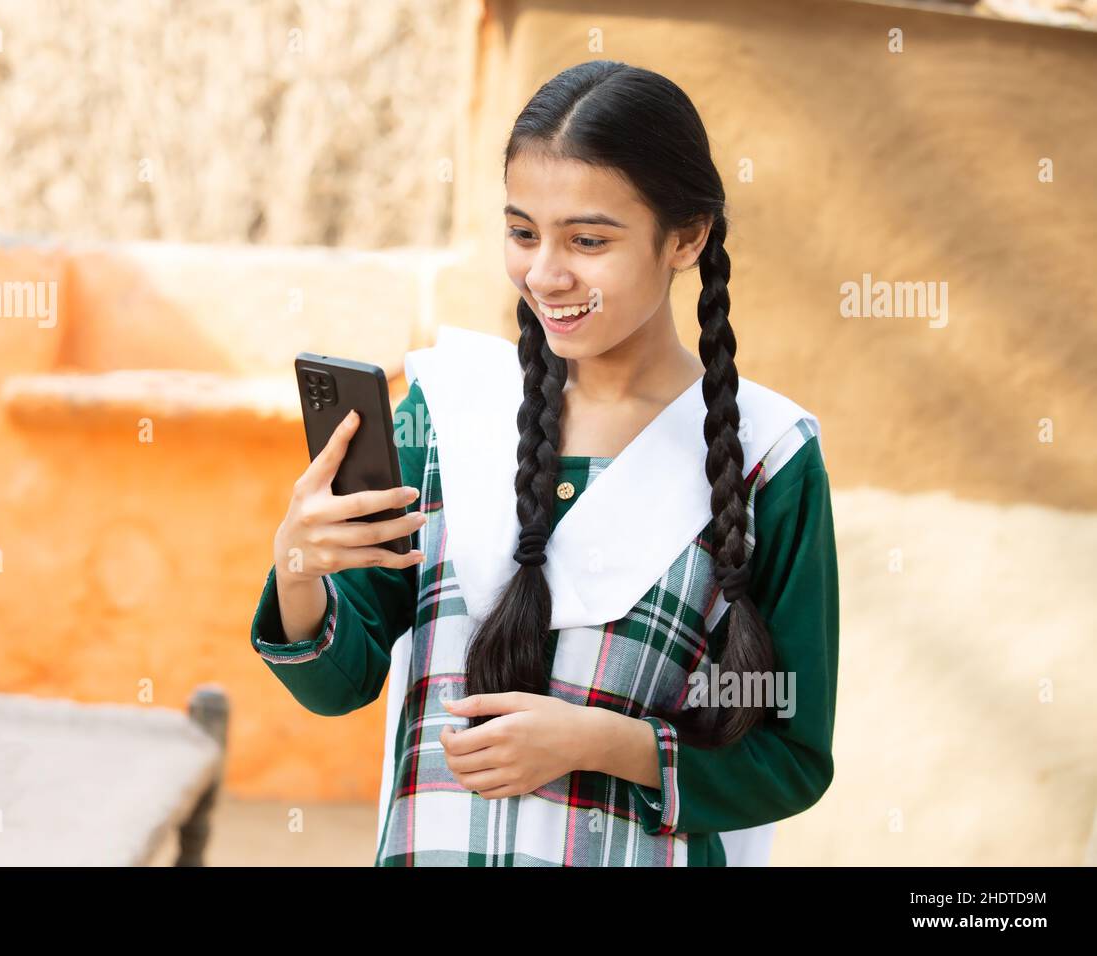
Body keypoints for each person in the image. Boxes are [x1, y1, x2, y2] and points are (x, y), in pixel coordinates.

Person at [250, 60, 839, 867]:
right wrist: (297, 567)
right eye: (523, 233)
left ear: (687, 237)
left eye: (588, 241)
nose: (545, 274)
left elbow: (790, 757)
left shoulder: (768, 455)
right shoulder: (448, 415)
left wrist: (601, 741)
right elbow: (335, 684)